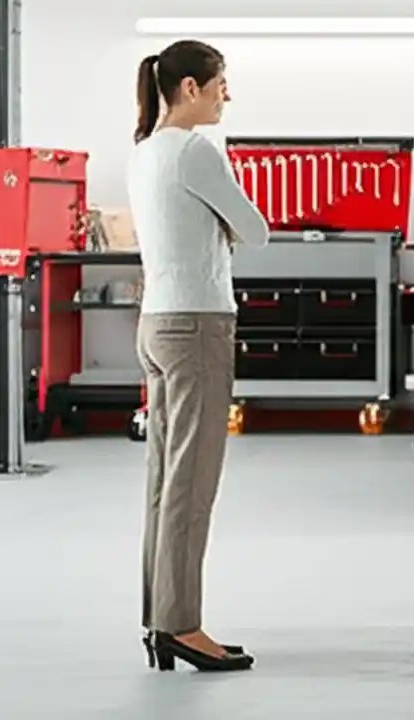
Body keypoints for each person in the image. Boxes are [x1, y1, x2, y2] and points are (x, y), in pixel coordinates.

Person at [128, 39, 269, 672]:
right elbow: (258, 230)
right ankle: (183, 627)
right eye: (220, 86)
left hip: (158, 322)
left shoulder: (145, 151)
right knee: (193, 484)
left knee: (165, 483)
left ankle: (161, 619)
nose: (226, 97)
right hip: (197, 326)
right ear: (190, 88)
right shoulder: (196, 151)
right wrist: (228, 221)